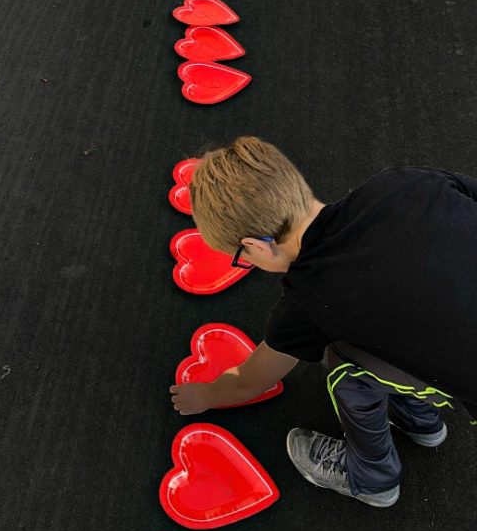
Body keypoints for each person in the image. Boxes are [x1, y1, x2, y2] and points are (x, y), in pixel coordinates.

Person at [169, 136, 477, 508]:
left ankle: (372, 477)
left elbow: (251, 381)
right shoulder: (405, 183)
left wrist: (205, 394)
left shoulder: (311, 300)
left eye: (242, 257)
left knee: (340, 355)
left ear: (256, 246)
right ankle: (419, 420)